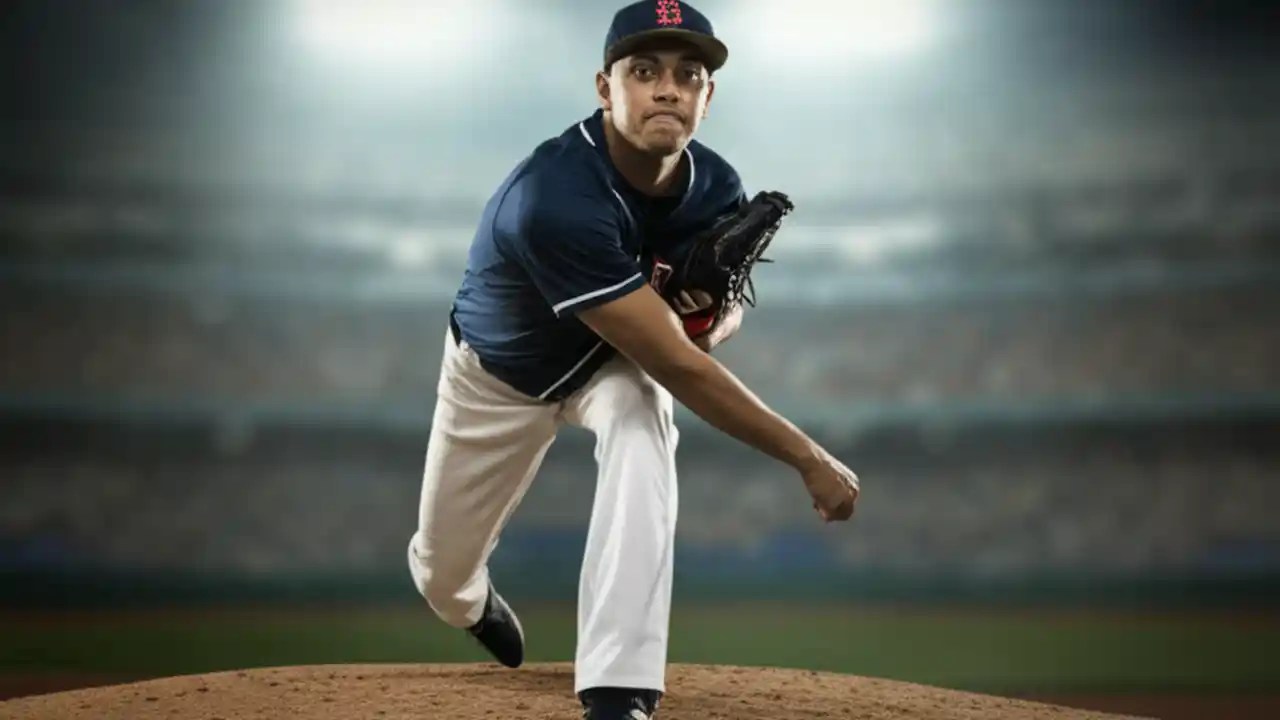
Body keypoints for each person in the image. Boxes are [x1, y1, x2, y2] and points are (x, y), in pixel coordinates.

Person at [406, 1, 860, 717]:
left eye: (689, 75)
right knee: (442, 572)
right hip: (499, 378)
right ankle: (464, 598)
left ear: (708, 97)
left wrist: (716, 315)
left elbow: (716, 317)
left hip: (611, 367)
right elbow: (682, 363)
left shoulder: (716, 187)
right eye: (644, 71)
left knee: (644, 414)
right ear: (604, 86)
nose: (669, 89)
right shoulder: (554, 197)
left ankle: (620, 687)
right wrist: (807, 456)